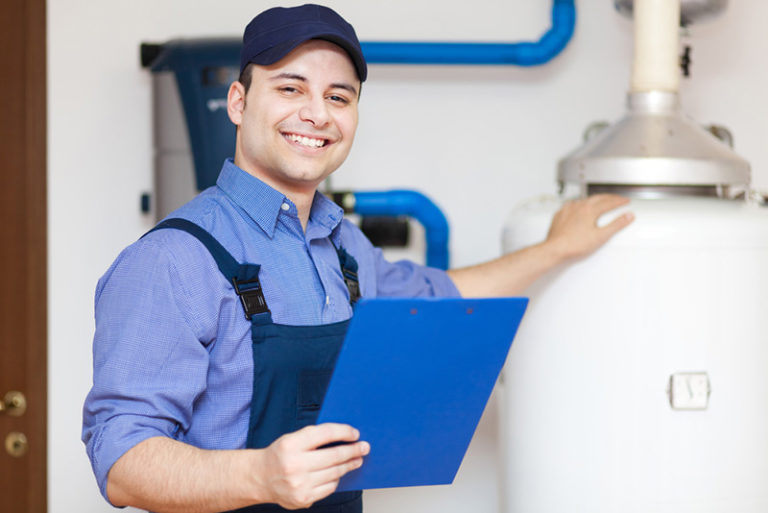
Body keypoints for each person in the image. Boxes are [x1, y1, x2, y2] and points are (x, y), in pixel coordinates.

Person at [82, 4, 634, 513]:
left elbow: (439, 295)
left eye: (338, 97)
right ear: (238, 102)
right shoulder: (173, 259)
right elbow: (123, 462)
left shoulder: (343, 249)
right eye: (290, 88)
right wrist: (261, 476)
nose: (317, 114)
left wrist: (557, 248)